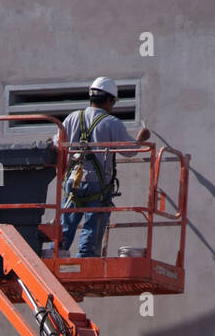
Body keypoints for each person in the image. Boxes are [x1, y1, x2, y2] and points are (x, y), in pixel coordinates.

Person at [53, 78, 150, 257]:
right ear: (110, 100)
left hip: (73, 182)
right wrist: (140, 139)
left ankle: (55, 258)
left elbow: (56, 144)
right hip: (97, 185)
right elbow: (129, 151)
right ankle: (86, 264)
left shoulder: (73, 118)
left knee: (65, 227)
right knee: (92, 231)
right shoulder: (111, 122)